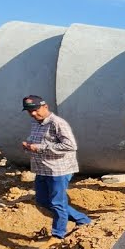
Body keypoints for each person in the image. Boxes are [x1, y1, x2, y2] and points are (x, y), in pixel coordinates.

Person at [20, 95, 92, 239]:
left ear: (45, 107)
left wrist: (39, 148)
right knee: (42, 201)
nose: (33, 113)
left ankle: (58, 235)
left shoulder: (57, 123)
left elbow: (70, 145)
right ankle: (82, 220)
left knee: (57, 203)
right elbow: (37, 141)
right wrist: (28, 145)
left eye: (35, 110)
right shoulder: (36, 123)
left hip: (58, 170)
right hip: (42, 169)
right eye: (29, 111)